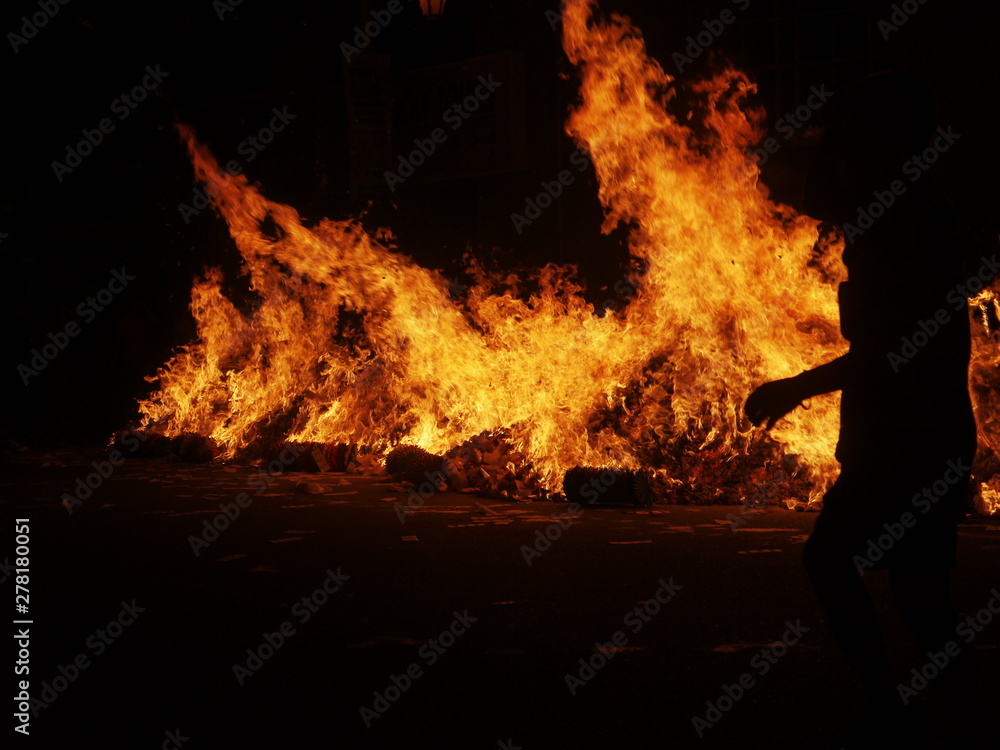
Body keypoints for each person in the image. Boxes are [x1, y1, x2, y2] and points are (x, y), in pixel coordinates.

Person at [744, 71, 990, 747]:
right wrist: (834, 125)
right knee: (918, 596)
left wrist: (793, 388)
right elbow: (817, 195)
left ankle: (909, 713)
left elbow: (887, 351)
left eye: (859, 131)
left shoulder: (915, 222)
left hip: (913, 441)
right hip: (901, 436)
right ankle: (927, 716)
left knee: (865, 574)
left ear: (890, 139)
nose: (847, 145)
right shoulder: (887, 206)